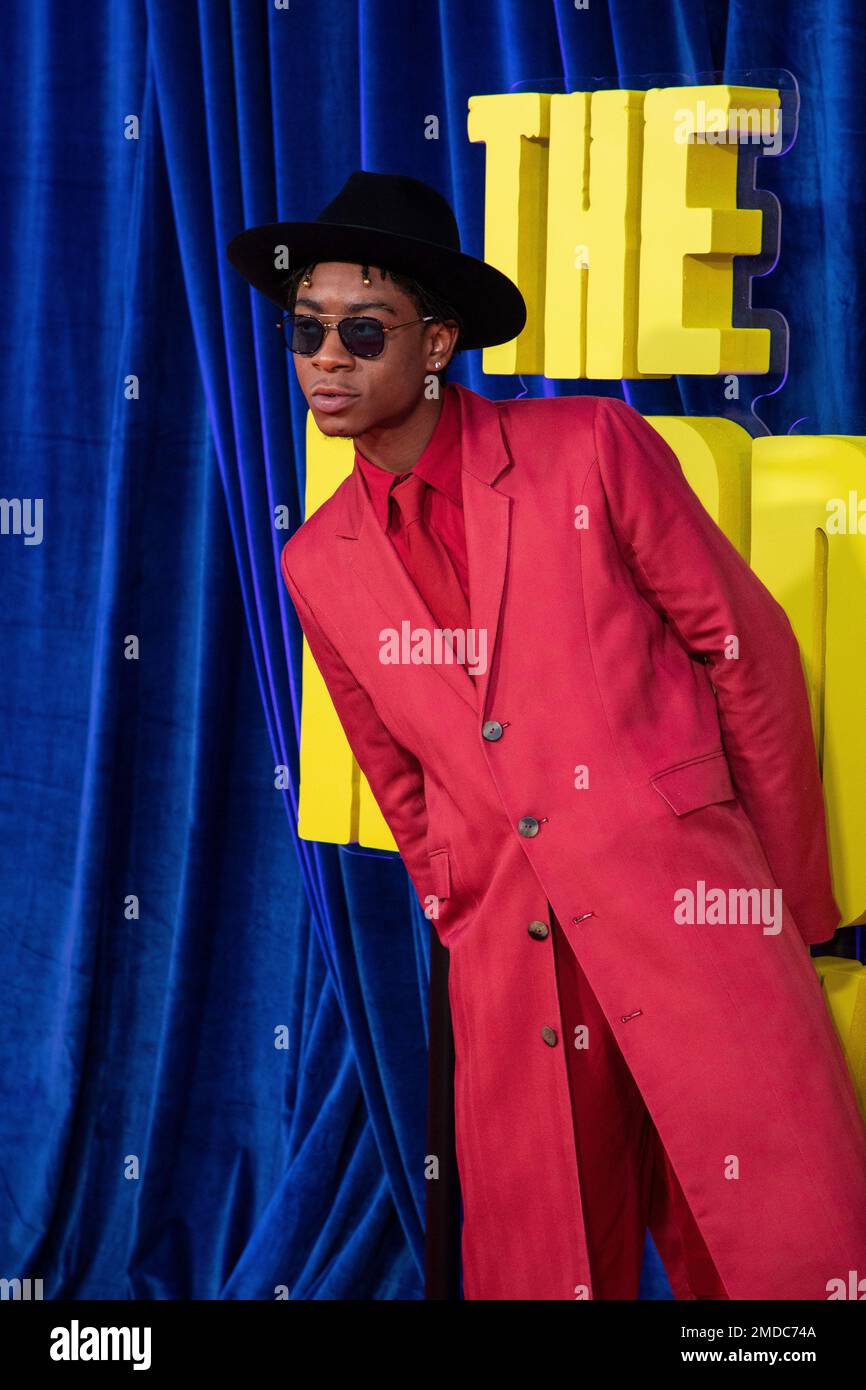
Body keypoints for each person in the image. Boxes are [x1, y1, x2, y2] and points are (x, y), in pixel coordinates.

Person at [227, 170, 866, 1301]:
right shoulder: (314, 562)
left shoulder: (589, 449)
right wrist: (463, 906)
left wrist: (781, 903)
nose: (323, 358)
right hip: (511, 962)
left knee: (778, 1252)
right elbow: (397, 775)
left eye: (359, 330)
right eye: (304, 329)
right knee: (546, 1262)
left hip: (688, 911)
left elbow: (744, 650)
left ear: (435, 343)